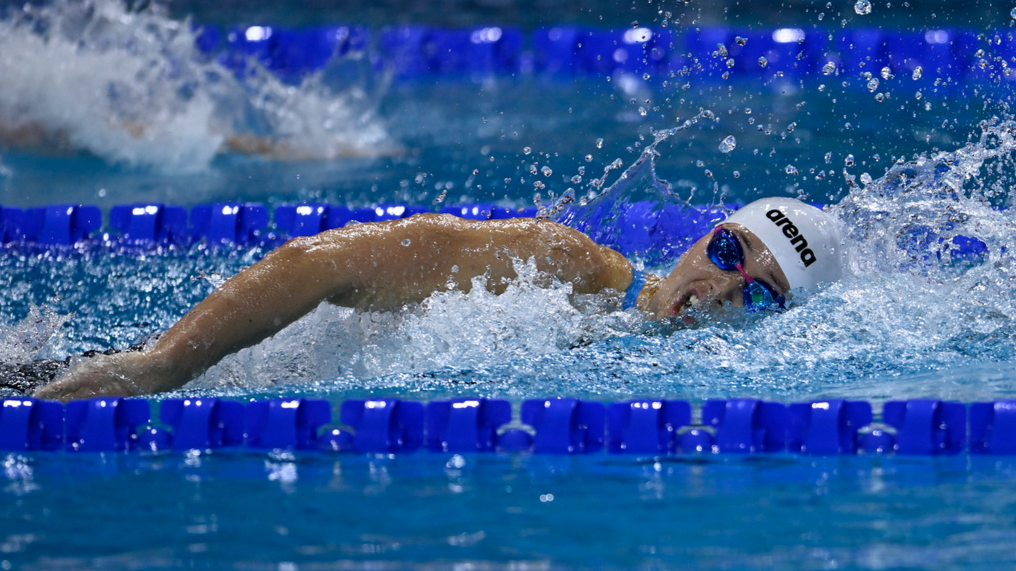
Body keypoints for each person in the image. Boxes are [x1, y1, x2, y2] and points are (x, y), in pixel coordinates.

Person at [29, 196, 846, 402]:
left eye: (762, 296)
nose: (720, 289)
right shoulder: (558, 266)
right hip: (191, 371)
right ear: (702, 236)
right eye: (731, 251)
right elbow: (320, 262)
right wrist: (164, 363)